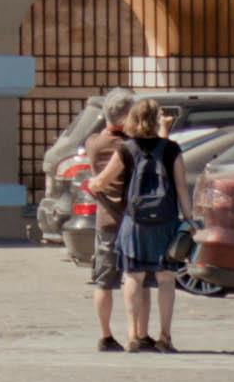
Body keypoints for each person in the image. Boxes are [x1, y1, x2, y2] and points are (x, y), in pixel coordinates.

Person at [114, 99, 193, 352]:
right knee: (166, 279)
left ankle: (133, 334)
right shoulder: (171, 149)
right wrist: (189, 220)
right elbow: (181, 188)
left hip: (134, 222)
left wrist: (94, 186)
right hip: (166, 220)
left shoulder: (126, 149)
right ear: (156, 119)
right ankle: (165, 336)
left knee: (133, 276)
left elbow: (104, 180)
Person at [64, 87, 137, 352]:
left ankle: (105, 333)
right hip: (131, 220)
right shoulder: (132, 147)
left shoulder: (95, 143)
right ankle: (135, 332)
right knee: (133, 276)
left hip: (105, 219)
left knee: (103, 280)